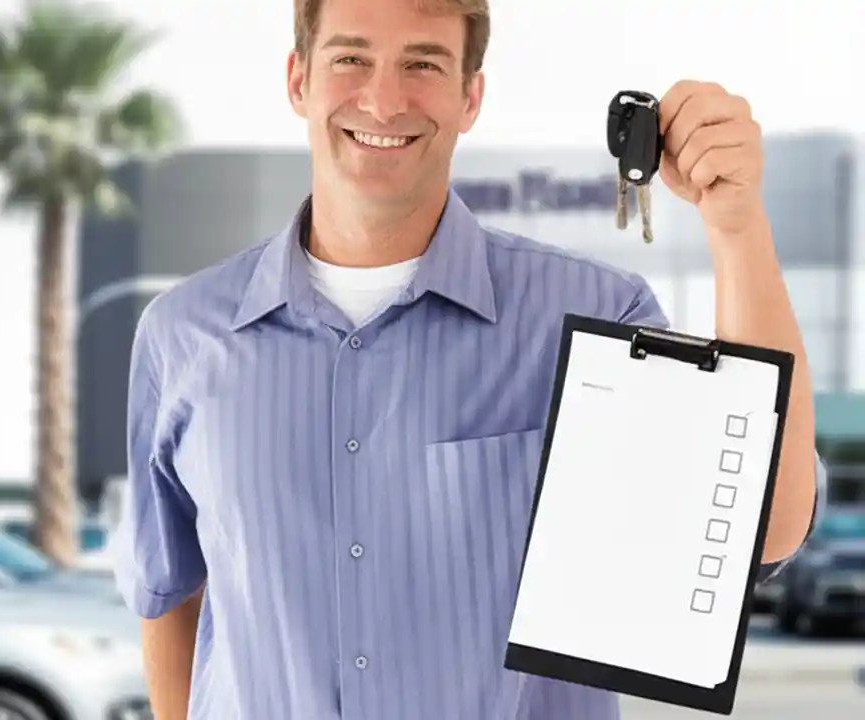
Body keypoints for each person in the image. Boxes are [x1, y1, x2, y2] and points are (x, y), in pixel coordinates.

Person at [110, 1, 827, 718]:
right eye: (350, 58)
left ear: (469, 96)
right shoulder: (182, 336)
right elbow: (168, 593)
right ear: (300, 80)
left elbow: (764, 530)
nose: (384, 99)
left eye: (422, 63)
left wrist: (735, 226)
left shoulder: (591, 317)